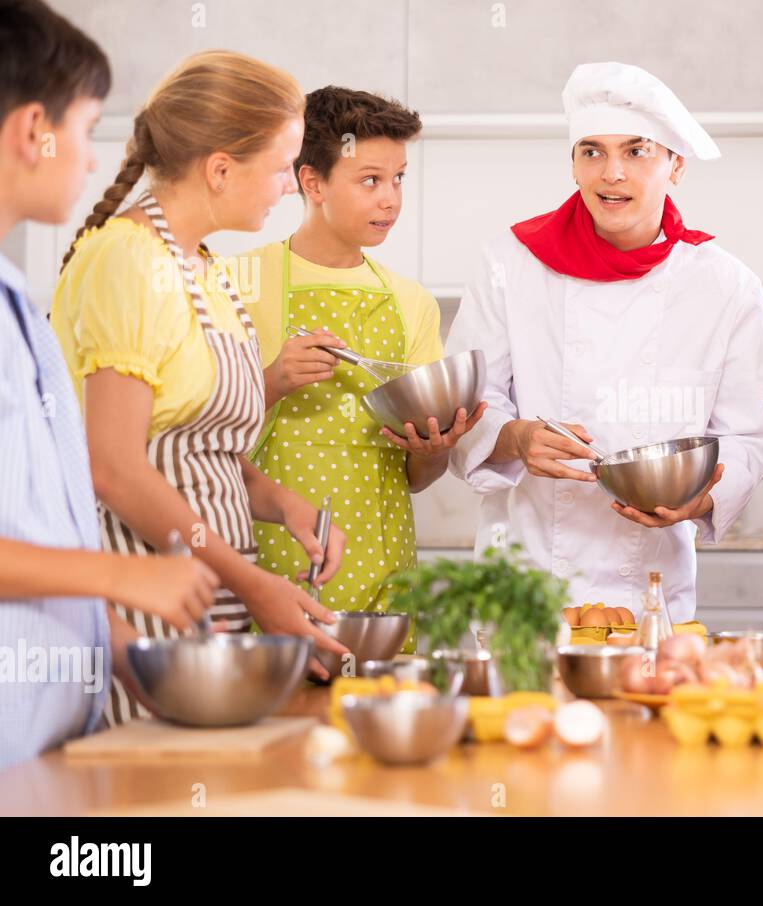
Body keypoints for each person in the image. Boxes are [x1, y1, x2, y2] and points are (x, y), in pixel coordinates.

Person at [51, 50, 349, 722]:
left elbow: (197, 448)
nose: (289, 188)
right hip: (140, 603)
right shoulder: (128, 260)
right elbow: (115, 469)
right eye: (280, 167)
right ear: (220, 168)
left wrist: (281, 502)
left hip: (208, 601)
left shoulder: (209, 270)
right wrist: (249, 581)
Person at [445, 62, 763, 616]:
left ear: (676, 165)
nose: (611, 173)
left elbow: (747, 437)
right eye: (592, 151)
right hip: (527, 578)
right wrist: (517, 437)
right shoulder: (511, 263)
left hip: (648, 585)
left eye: (636, 151)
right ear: (573, 166)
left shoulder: (724, 285)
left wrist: (700, 498)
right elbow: (465, 403)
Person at [0, 0, 218, 766]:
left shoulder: (17, 310)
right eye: (87, 130)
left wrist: (125, 653)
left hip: (42, 748)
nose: (93, 160)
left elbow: (36, 535)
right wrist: (124, 573)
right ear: (35, 131)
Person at [243, 86, 484, 612]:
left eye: (399, 179)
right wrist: (274, 379)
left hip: (385, 570)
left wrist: (436, 448)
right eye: (370, 180)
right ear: (313, 183)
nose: (391, 198)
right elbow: (193, 440)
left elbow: (419, 479)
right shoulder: (239, 282)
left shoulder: (409, 301)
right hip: (268, 568)